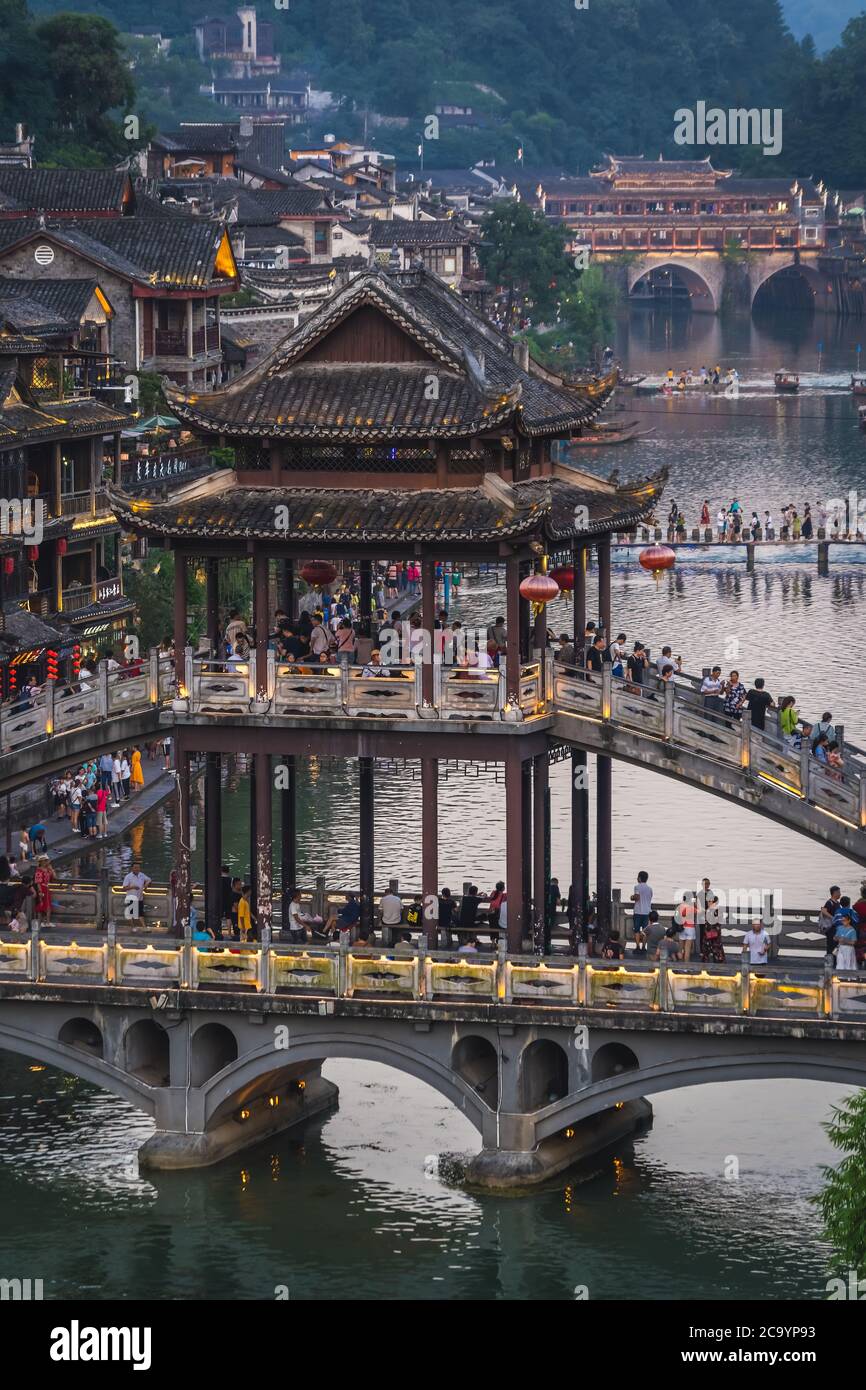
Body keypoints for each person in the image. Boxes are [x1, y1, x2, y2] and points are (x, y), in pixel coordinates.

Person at [833, 898, 859, 971]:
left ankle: (838, 968)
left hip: (839, 932)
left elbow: (834, 921)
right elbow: (856, 920)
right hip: (848, 933)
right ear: (848, 903)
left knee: (839, 954)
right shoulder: (850, 911)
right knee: (849, 959)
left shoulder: (837, 911)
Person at [631, 871, 653, 958]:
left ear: (639, 878)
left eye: (637, 877)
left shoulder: (637, 887)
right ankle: (644, 947)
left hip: (638, 912)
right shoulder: (650, 888)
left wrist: (631, 897)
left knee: (636, 930)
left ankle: (637, 947)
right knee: (645, 931)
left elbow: (637, 897)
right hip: (647, 912)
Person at [33, 855, 56, 927]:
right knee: (44, 905)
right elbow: (38, 882)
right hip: (42, 888)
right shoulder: (38, 870)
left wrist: (51, 869)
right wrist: (40, 891)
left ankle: (46, 922)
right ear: (41, 862)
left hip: (46, 888)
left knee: (47, 905)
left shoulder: (48, 869)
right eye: (46, 860)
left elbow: (55, 877)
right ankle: (45, 922)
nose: (47, 862)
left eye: (47, 860)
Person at [675, 893, 698, 961]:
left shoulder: (679, 906)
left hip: (681, 927)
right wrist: (695, 903)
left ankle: (679, 965)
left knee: (680, 949)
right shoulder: (691, 907)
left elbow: (676, 915)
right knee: (687, 949)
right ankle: (685, 968)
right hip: (690, 928)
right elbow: (700, 911)